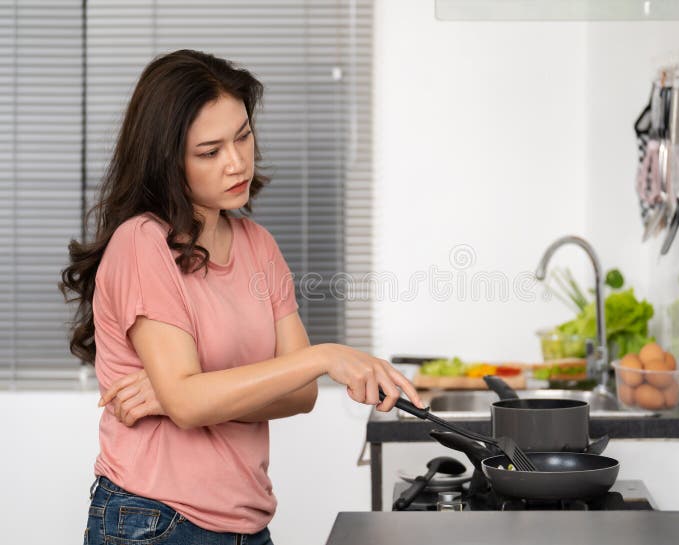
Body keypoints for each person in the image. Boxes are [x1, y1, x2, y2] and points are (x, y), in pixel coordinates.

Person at [59, 49, 422, 545]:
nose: (236, 162)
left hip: (246, 524)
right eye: (209, 152)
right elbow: (197, 401)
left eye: (243, 136)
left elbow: (301, 393)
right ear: (168, 161)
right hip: (156, 521)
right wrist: (322, 356)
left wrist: (179, 393)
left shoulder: (258, 245)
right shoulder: (143, 243)